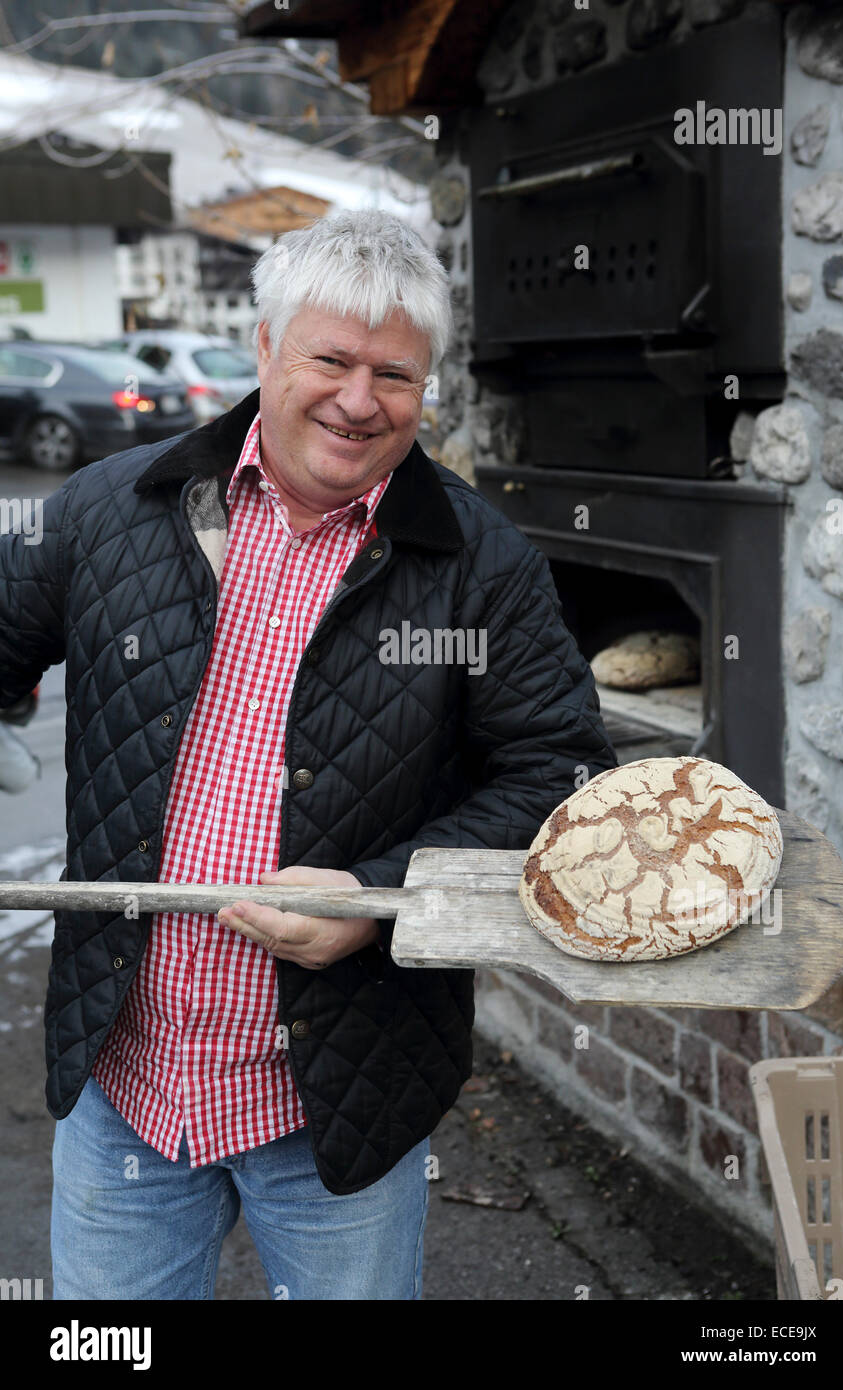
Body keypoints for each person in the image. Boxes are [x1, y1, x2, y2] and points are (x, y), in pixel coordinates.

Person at [0, 208, 616, 1300]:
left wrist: (379, 894)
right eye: (330, 358)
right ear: (266, 349)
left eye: (394, 375)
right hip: (123, 1078)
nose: (357, 399)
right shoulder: (114, 507)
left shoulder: (479, 563)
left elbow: (559, 775)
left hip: (339, 1096)